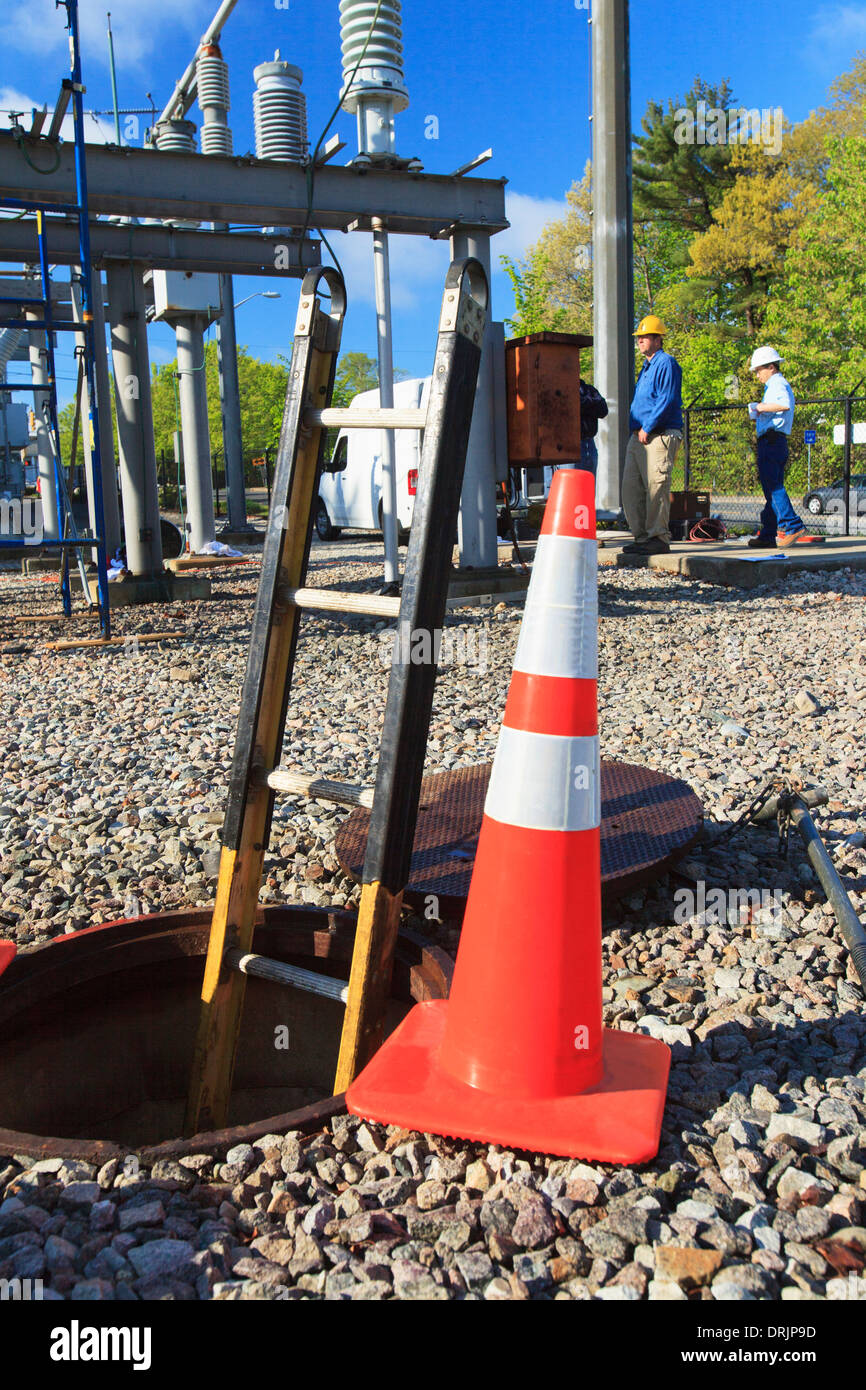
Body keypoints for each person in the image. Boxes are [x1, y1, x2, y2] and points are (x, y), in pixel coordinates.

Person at [746, 346, 824, 547]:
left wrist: (760, 407)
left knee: (773, 487)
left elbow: (785, 404)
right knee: (771, 488)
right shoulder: (773, 385)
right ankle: (768, 535)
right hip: (775, 440)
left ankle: (792, 525)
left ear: (771, 367)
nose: (757, 375)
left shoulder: (777, 383)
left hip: (772, 441)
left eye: (758, 370)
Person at [621, 315, 683, 555]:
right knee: (631, 489)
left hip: (658, 434)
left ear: (658, 340)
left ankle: (658, 537)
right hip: (639, 435)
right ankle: (642, 538)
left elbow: (666, 399)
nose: (640, 341)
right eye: (639, 337)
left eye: (645, 337)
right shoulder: (647, 368)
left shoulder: (666, 363)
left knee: (656, 487)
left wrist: (648, 425)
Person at [579, 377, 608, 475]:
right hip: (570, 446)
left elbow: (603, 410)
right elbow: (573, 406)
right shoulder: (561, 389)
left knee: (587, 485)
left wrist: (584, 402)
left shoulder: (588, 389)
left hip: (588, 443)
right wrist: (592, 402)